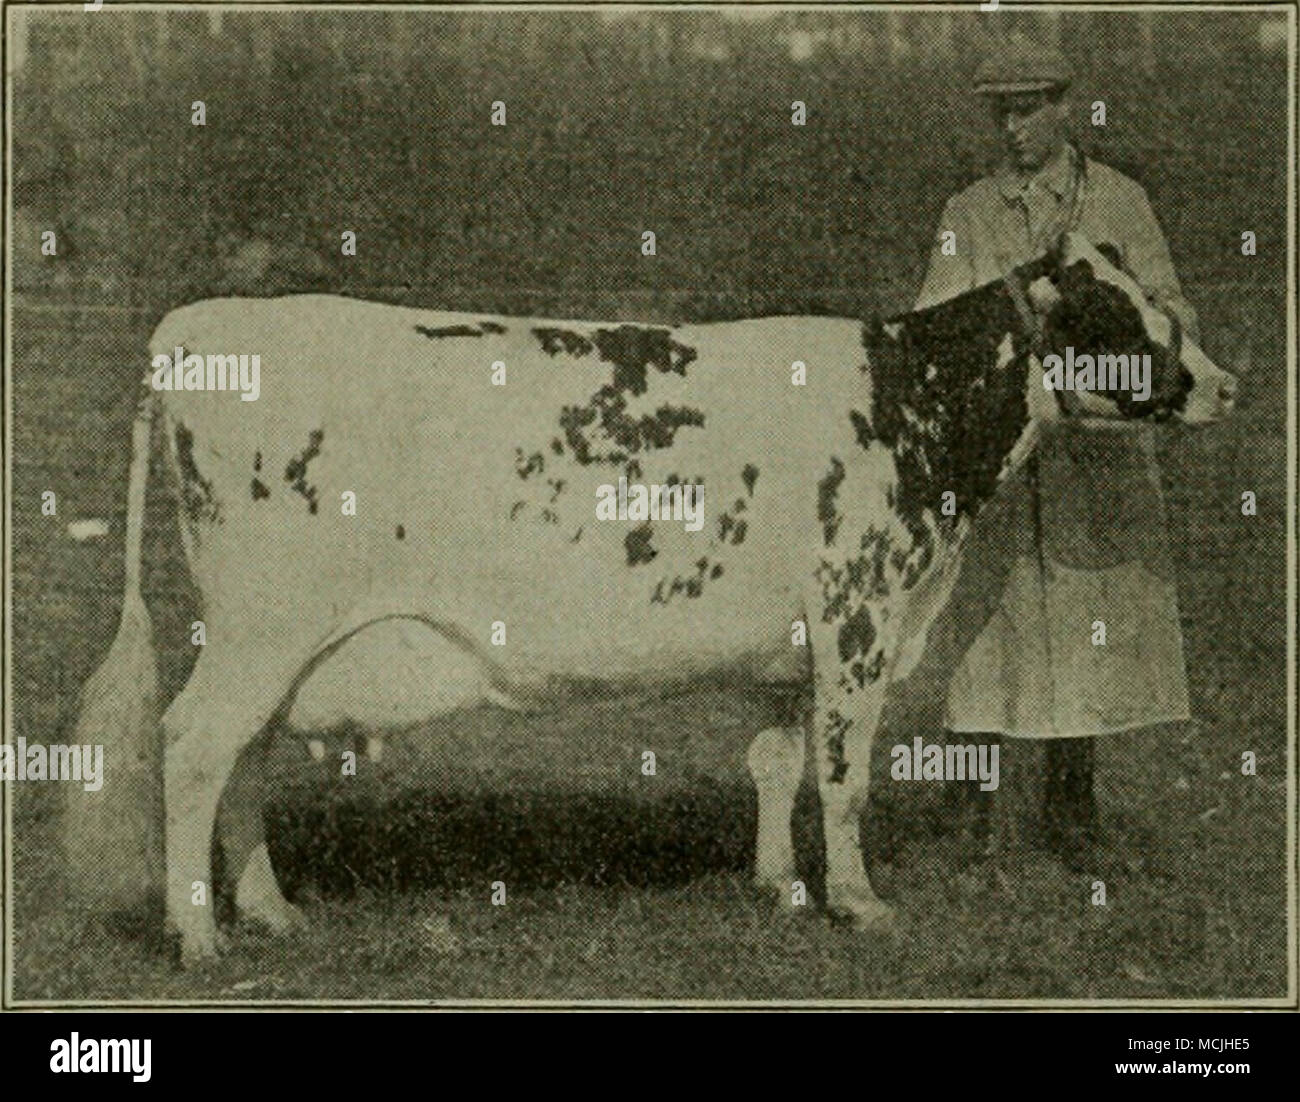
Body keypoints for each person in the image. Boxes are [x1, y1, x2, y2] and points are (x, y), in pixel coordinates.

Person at [915, 38, 1199, 873]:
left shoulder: (1117, 201)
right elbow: (934, 322)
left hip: (1095, 455)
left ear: (1065, 106)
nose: (1013, 126)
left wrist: (1103, 357)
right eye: (1000, 110)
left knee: (1086, 627)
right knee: (976, 629)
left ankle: (1073, 815)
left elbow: (1171, 311)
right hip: (999, 460)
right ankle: (964, 815)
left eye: (1029, 106)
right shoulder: (968, 212)